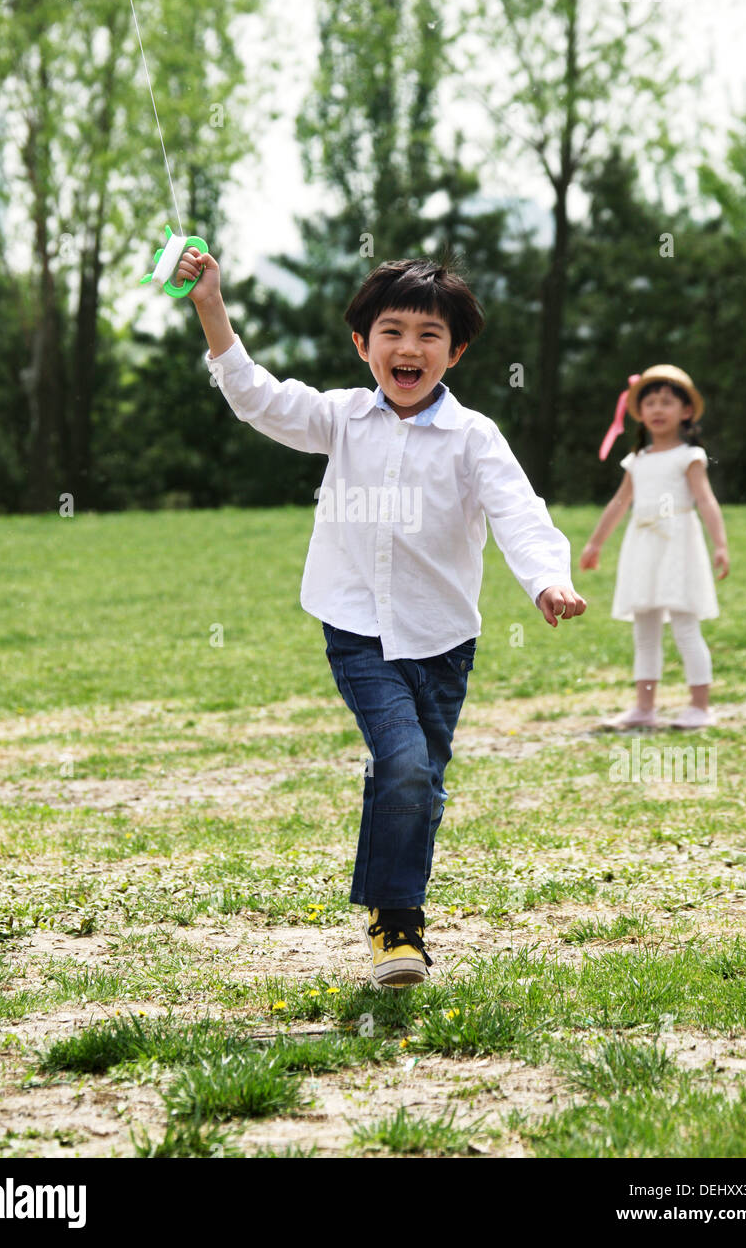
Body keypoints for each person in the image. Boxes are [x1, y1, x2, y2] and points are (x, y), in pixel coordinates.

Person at [177, 246, 586, 989]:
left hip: (443, 639)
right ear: (363, 345)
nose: (410, 348)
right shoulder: (339, 419)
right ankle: (399, 924)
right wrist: (211, 302)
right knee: (402, 764)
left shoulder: (473, 437)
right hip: (357, 627)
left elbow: (519, 514)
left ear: (454, 352)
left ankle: (392, 911)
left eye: (430, 335)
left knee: (420, 781)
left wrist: (547, 580)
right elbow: (257, 397)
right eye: (392, 332)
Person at [580, 365, 729, 731]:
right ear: (639, 412)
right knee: (644, 629)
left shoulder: (689, 456)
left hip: (679, 543)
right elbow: (619, 503)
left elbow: (706, 501)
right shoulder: (638, 461)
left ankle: (700, 705)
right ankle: (644, 707)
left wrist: (720, 545)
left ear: (686, 411)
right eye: (650, 403)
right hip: (643, 544)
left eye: (667, 402)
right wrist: (595, 543)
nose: (657, 409)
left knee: (684, 625)